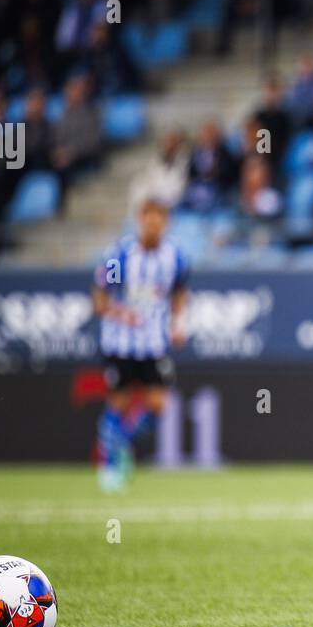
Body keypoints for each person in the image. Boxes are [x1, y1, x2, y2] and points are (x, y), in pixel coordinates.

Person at [91, 196, 189, 492]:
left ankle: (121, 443)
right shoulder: (119, 256)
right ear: (139, 219)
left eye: (159, 218)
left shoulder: (175, 257)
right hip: (120, 343)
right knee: (118, 403)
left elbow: (180, 292)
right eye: (148, 217)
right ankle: (109, 468)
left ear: (166, 222)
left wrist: (177, 322)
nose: (153, 224)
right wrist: (121, 313)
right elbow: (99, 297)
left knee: (160, 404)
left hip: (154, 343)